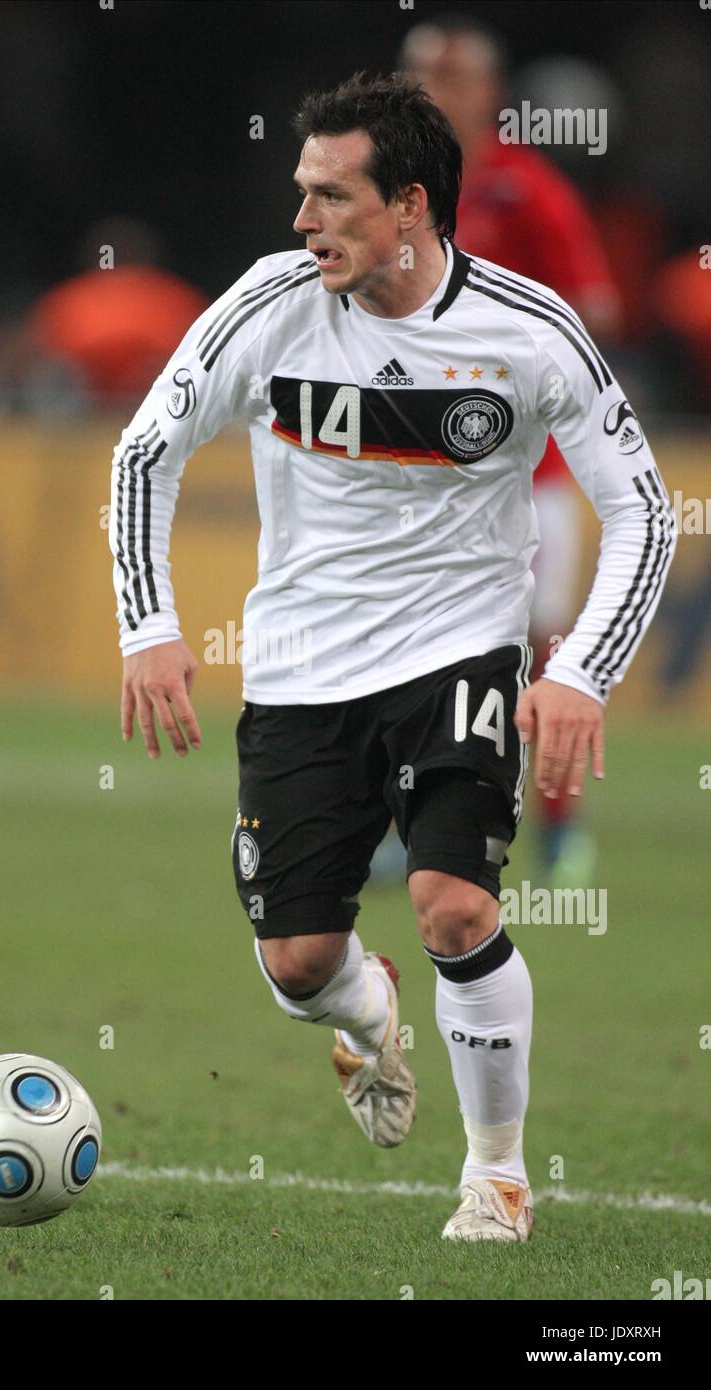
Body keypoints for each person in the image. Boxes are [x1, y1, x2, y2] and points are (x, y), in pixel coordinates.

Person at [109, 74, 674, 1243]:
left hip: (457, 657)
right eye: (299, 194)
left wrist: (577, 673)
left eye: (332, 197)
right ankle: (369, 1019)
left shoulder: (526, 332)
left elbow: (647, 513)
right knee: (298, 962)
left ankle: (497, 1176)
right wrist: (149, 626)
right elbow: (142, 455)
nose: (303, 221)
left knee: (453, 906)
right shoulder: (266, 307)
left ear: (410, 204)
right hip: (301, 673)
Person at [396, 15, 623, 885]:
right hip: (415, 471)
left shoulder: (523, 190)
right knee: (413, 645)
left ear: (487, 94)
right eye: (420, 75)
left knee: (541, 649)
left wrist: (498, 340)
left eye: (450, 78)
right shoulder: (389, 190)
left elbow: (596, 308)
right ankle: (405, 823)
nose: (433, 93)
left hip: (531, 473)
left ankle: (562, 824)